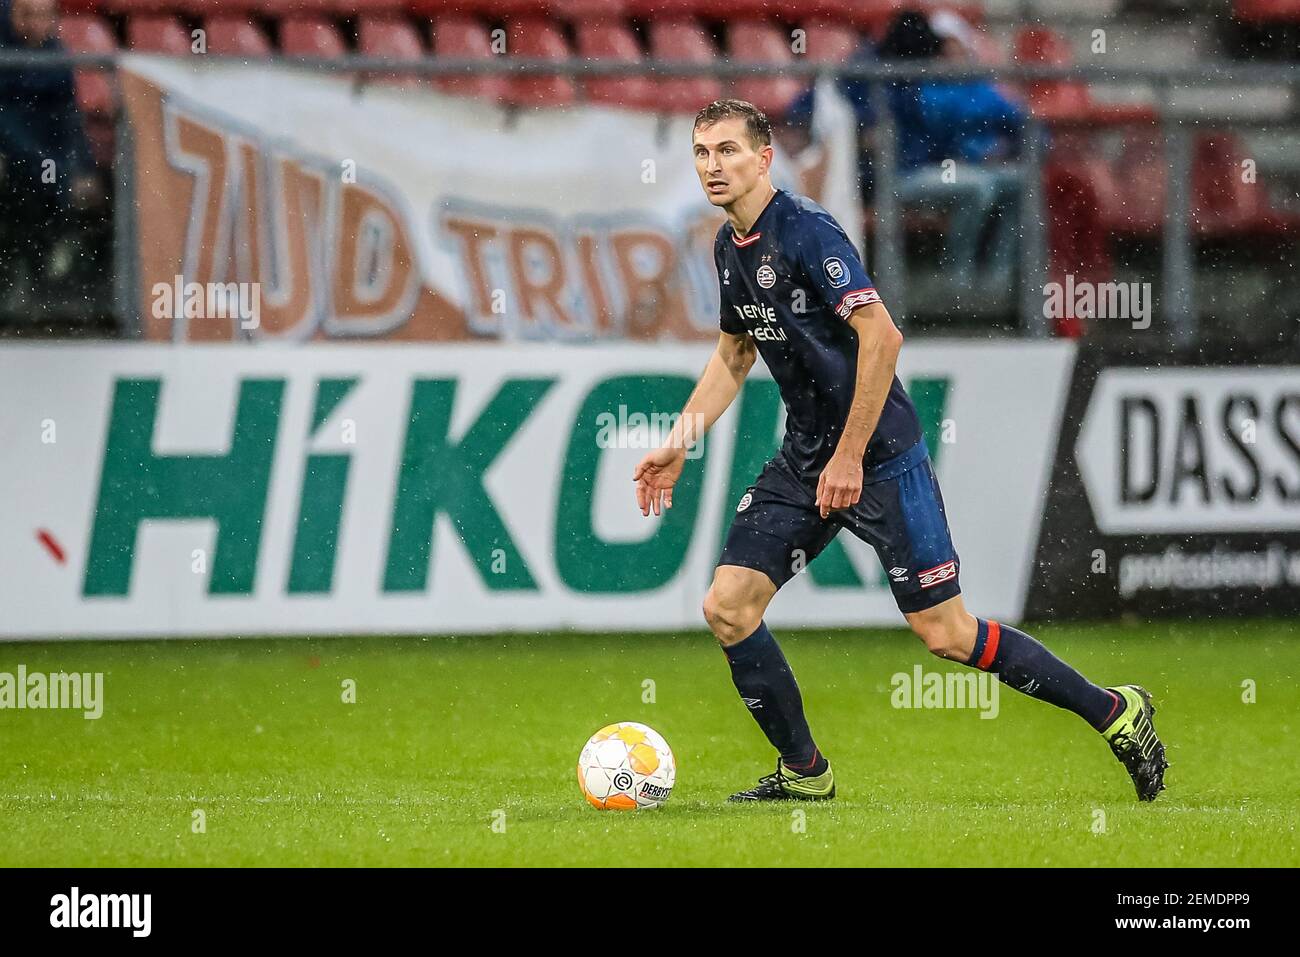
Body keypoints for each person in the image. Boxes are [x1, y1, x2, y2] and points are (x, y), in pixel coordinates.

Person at [631, 98, 1168, 803]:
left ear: (765, 159)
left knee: (946, 633)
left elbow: (881, 337)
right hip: (805, 457)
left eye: (729, 151)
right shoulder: (728, 248)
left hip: (880, 456)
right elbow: (734, 355)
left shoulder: (807, 232)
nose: (713, 167)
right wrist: (677, 444)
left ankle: (1114, 711)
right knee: (728, 606)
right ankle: (806, 773)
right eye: (703, 153)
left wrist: (851, 456)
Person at [880, 9, 1025, 299]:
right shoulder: (922, 86)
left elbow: (1021, 120)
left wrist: (1006, 146)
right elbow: (944, 122)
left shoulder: (977, 85)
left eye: (956, 49)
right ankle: (956, 278)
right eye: (944, 51)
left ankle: (998, 280)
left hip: (957, 166)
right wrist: (978, 147)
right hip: (914, 171)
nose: (950, 57)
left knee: (1023, 184)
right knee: (980, 188)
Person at [0, 0, 103, 308]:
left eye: (45, 15)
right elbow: (7, 126)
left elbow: (69, 119)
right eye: (27, 14)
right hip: (19, 158)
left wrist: (83, 168)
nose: (36, 23)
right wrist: (53, 169)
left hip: (45, 161)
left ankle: (57, 288)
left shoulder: (56, 58)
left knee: (91, 189)